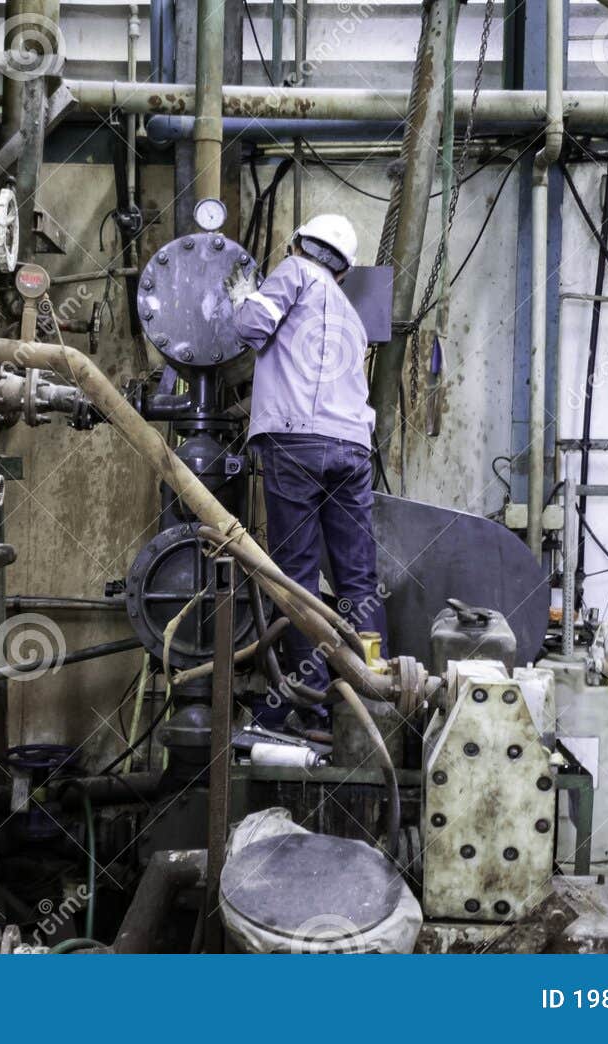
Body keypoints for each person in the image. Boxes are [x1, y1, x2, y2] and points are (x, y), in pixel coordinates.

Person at [228, 214, 387, 715]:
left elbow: (251, 326)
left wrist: (240, 299)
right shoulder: (351, 317)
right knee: (357, 579)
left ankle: (312, 704)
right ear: (344, 270)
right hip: (353, 451)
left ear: (297, 243)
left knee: (294, 579)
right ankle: (372, 692)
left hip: (298, 443)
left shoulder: (295, 271)